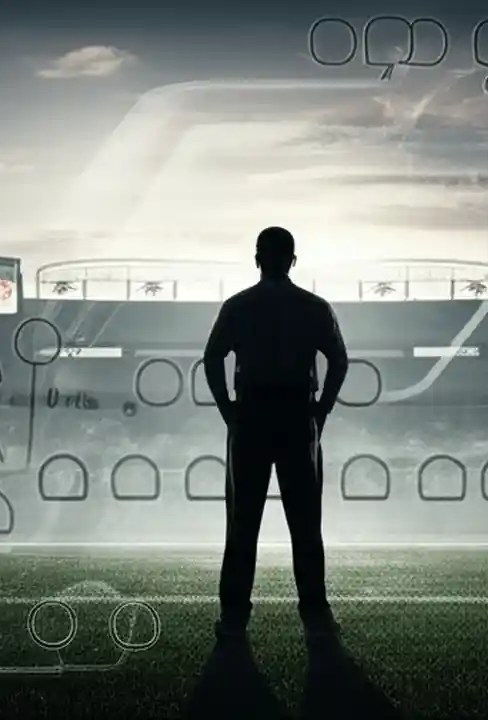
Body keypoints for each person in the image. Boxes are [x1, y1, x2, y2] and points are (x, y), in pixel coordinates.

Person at [202, 226, 349, 648]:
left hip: (250, 416)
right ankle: (315, 613)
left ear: (257, 258)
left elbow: (211, 357)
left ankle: (234, 615)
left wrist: (228, 410)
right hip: (296, 415)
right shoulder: (313, 307)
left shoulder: (238, 306)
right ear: (292, 260)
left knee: (242, 522)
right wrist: (321, 411)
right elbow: (338, 360)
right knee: (305, 523)